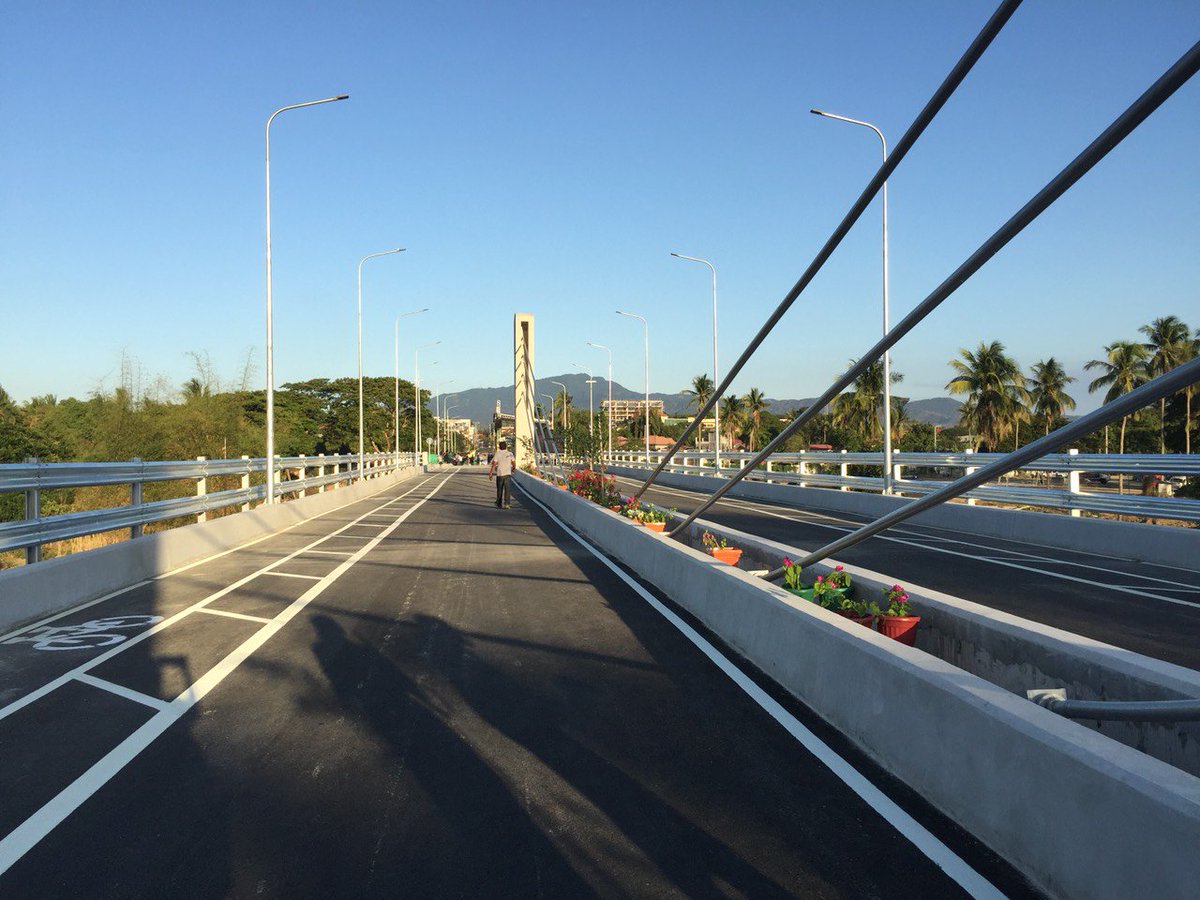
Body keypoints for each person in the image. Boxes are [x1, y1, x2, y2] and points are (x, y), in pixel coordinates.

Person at [489, 440, 515, 508]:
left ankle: (499, 503)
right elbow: (513, 463)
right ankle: (507, 504)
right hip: (507, 474)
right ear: (506, 447)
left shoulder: (498, 453)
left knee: (499, 489)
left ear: (500, 447)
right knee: (507, 489)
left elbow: (494, 464)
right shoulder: (510, 453)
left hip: (500, 474)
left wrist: (491, 473)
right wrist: (513, 469)